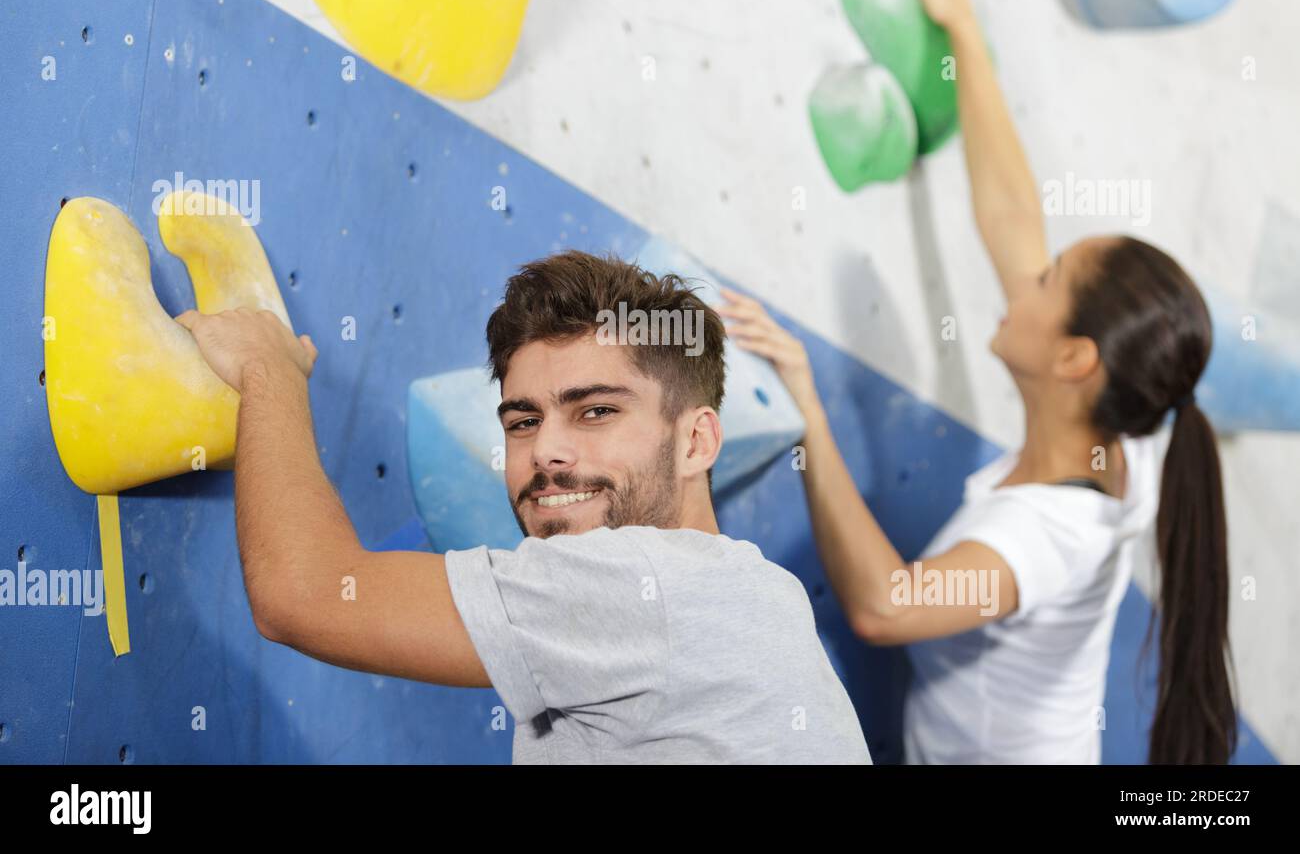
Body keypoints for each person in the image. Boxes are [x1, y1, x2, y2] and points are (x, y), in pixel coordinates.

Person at [719, 0, 1236, 764]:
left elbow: (885, 606)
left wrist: (808, 413)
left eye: (1048, 281)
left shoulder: (1044, 537)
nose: (1024, 278)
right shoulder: (1131, 420)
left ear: (1074, 360)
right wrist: (962, 29)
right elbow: (1011, 217)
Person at [176, 250, 871, 764]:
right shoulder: (760, 594)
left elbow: (302, 595)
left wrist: (267, 369)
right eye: (522, 421)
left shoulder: (640, 581)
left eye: (596, 411)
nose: (546, 452)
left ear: (697, 440)